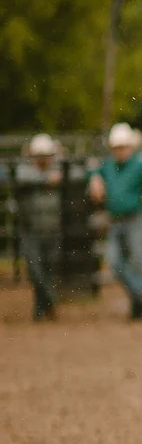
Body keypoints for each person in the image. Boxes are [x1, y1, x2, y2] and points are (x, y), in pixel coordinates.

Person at [89, 123, 142, 319]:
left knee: (136, 260)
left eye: (123, 147)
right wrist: (94, 178)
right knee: (116, 262)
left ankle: (140, 302)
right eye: (117, 147)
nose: (120, 151)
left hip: (137, 217)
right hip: (117, 219)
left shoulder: (140, 163)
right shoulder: (109, 166)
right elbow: (93, 171)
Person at [15, 134, 64, 321]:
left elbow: (77, 171)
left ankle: (40, 309)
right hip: (31, 230)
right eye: (39, 155)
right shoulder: (26, 172)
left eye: (46, 155)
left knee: (48, 270)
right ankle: (50, 300)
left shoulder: (58, 171)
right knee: (35, 270)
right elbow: (20, 175)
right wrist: (46, 179)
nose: (43, 159)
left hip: (53, 229)